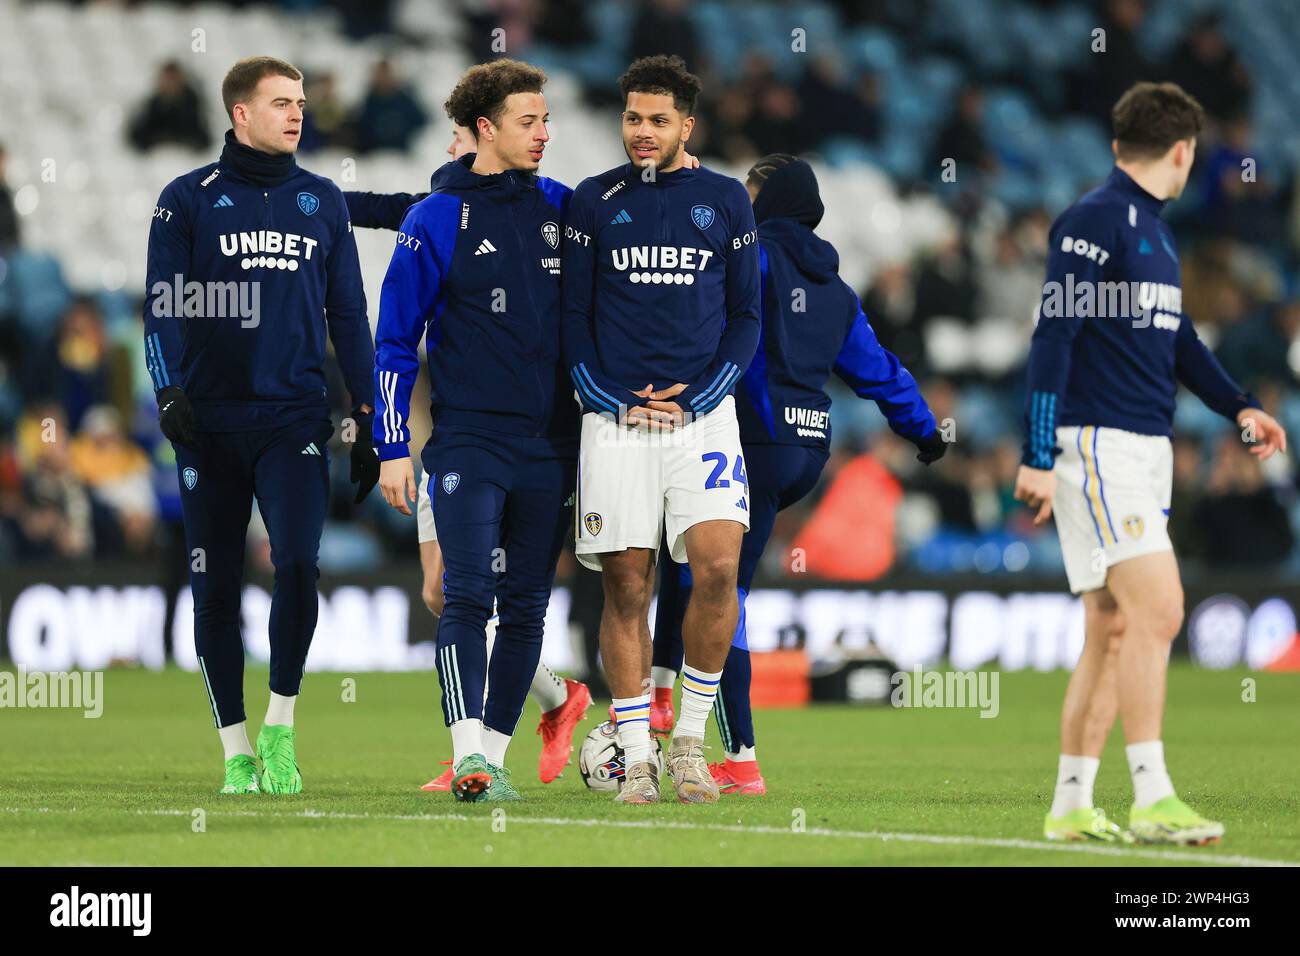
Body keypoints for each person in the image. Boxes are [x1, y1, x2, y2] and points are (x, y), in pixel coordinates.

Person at [1013, 81, 1287, 844]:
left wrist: (1238, 406)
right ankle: (1153, 796)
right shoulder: (1094, 221)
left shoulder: (1158, 235)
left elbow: (1180, 345)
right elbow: (1052, 337)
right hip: (1097, 446)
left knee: (1110, 627)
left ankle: (1070, 804)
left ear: (1116, 144)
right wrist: (1037, 452)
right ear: (1183, 151)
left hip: (1141, 449)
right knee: (1160, 610)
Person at [649, 155, 946, 794]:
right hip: (806, 451)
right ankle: (663, 696)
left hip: (746, 440)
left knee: (718, 592)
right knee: (696, 563)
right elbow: (878, 370)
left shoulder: (747, 258)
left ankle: (740, 759)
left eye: (750, 191)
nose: (742, 202)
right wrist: (924, 432)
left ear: (770, 198)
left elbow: (693, 313)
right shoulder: (838, 292)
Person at [143, 56, 379, 795]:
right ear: (240, 113)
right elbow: (163, 305)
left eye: (302, 101)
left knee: (300, 563)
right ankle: (234, 751)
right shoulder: (186, 199)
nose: (297, 113)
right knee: (213, 588)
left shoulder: (323, 201)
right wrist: (168, 391)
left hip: (294, 419)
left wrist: (373, 415)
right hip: (208, 425)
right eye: (282, 102)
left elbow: (350, 314)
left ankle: (280, 724)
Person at [345, 121, 593, 792]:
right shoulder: (437, 211)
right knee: (457, 594)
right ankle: (469, 753)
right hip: (464, 441)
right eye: (530, 120)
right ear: (481, 132)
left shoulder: (565, 207)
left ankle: (495, 754)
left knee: (523, 608)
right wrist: (390, 445)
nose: (546, 131)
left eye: (547, 118)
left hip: (547, 445)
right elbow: (394, 338)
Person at [562, 55, 760, 804]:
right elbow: (572, 321)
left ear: (687, 125)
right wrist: (608, 398)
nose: (641, 133)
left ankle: (688, 745)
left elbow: (746, 317)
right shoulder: (591, 202)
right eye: (632, 119)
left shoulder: (725, 201)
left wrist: (703, 394)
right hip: (614, 423)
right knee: (626, 584)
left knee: (715, 568)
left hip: (703, 420)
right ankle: (636, 752)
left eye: (657, 120)